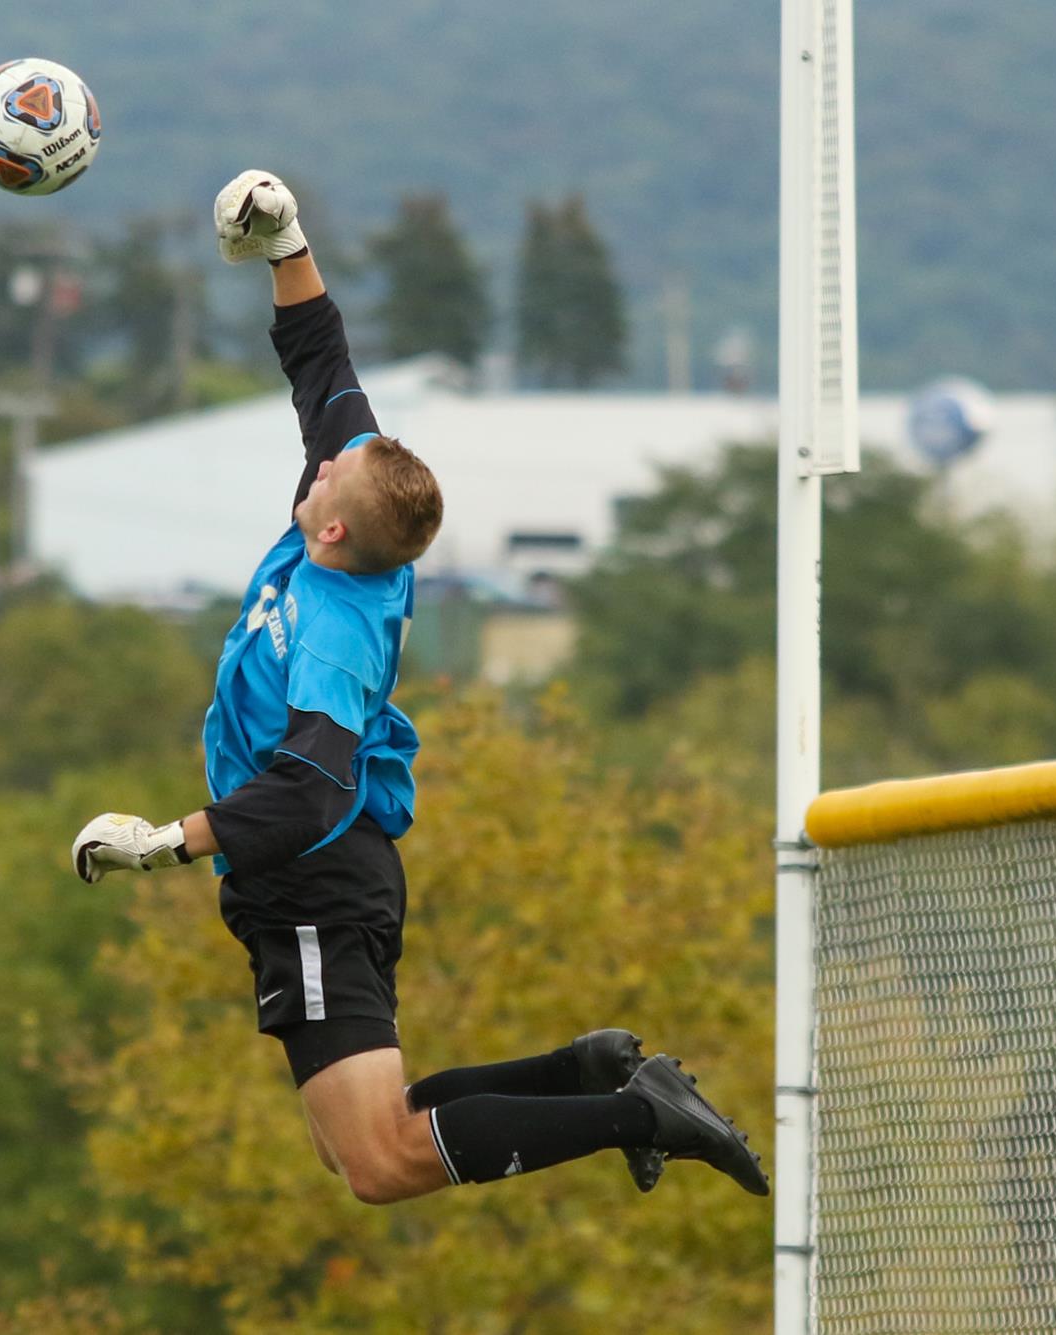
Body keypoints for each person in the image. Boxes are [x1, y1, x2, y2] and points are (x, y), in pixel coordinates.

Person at [70, 170, 768, 1206]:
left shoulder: (334, 641)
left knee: (379, 1165)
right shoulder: (347, 520)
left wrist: (166, 842)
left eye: (321, 483)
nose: (312, 473)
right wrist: (283, 242)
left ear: (335, 527)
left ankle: (639, 1108)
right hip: (322, 877)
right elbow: (322, 371)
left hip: (313, 880)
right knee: (359, 1141)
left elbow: (307, 788)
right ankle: (574, 1074)